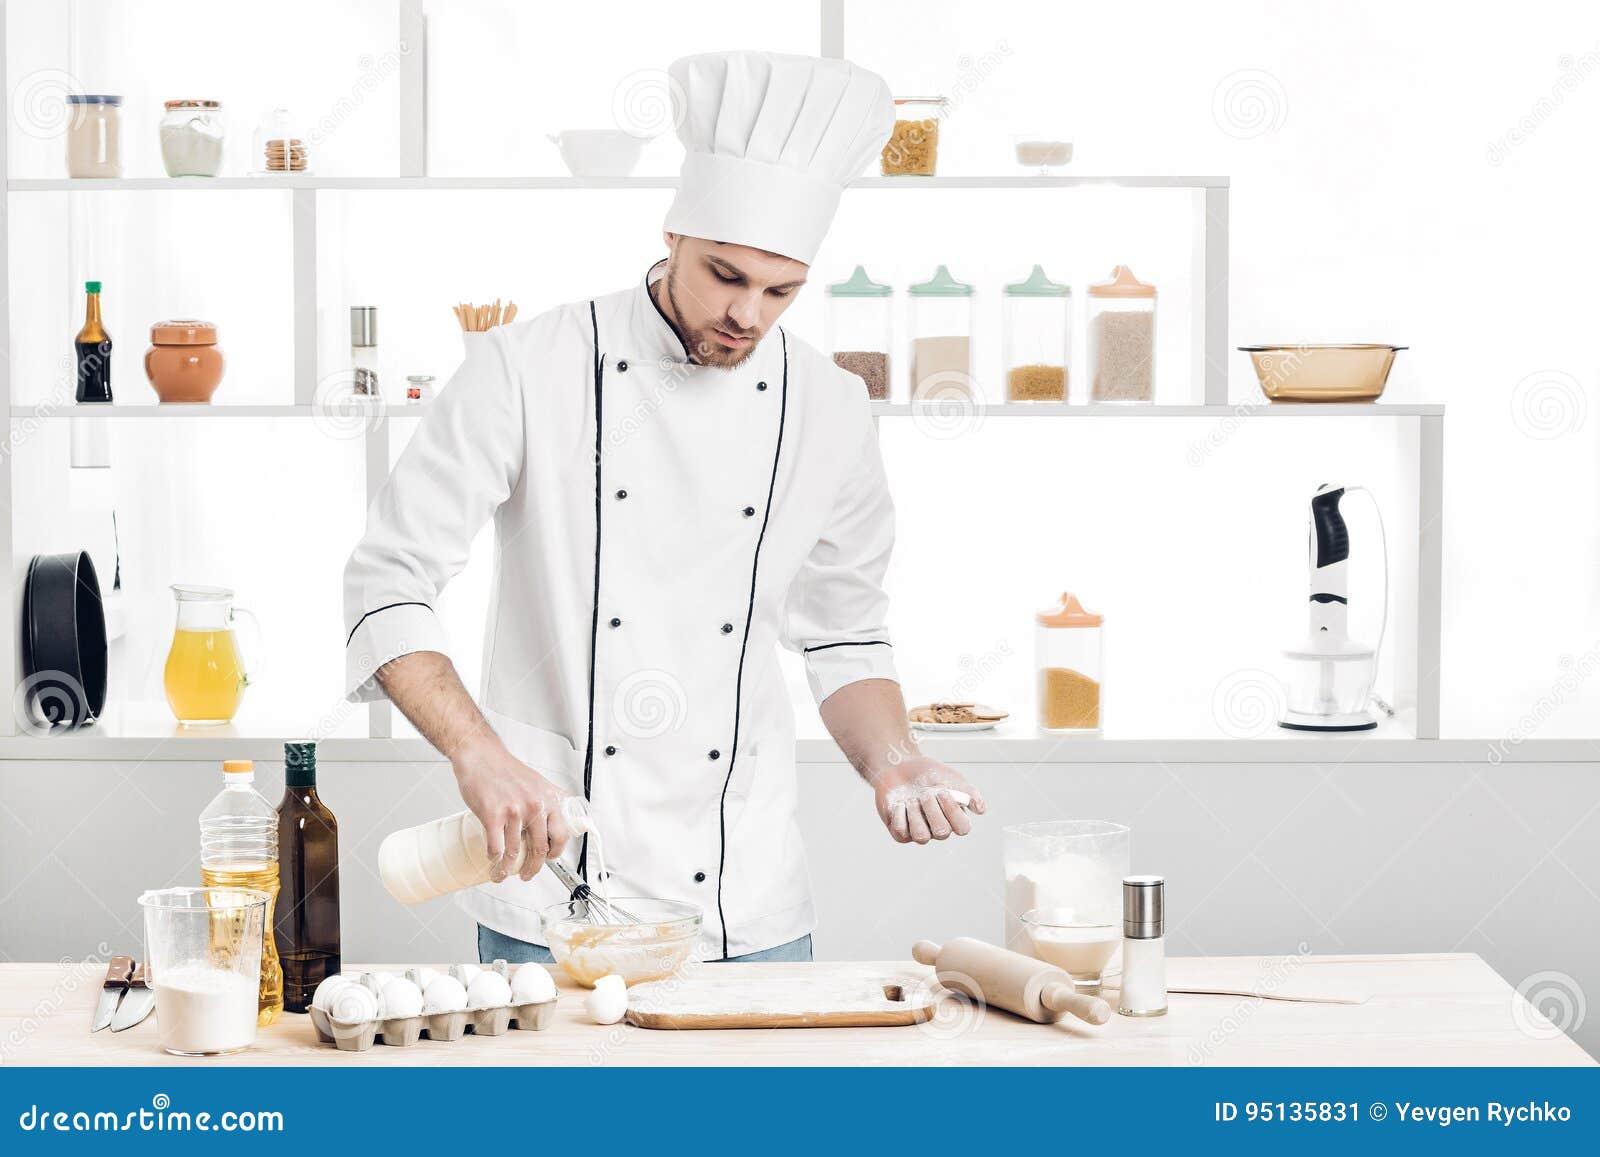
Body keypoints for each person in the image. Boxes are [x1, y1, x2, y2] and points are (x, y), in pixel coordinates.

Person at [342, 51, 985, 965]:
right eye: (726, 275)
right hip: (552, 889)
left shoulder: (832, 405)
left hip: (749, 902)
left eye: (781, 290)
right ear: (675, 232)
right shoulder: (528, 369)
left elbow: (845, 633)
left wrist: (895, 759)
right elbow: (388, 579)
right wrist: (477, 753)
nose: (748, 316)